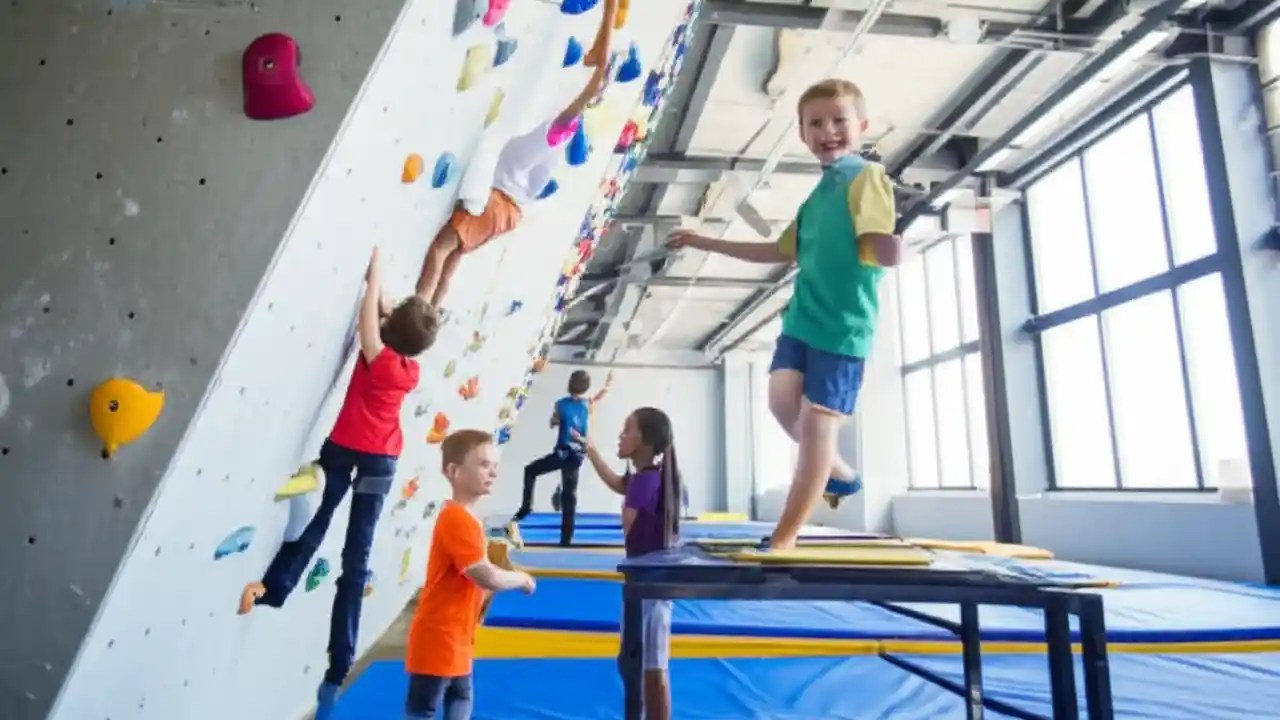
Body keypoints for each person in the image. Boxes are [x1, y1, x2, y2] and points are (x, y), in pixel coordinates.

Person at [665, 79, 902, 551]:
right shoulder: (815, 199)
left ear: (862, 126)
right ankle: (838, 470)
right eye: (816, 123)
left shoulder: (866, 176)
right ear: (802, 133)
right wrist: (703, 241)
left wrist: (888, 249)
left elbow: (876, 237)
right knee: (779, 404)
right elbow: (776, 250)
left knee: (816, 428)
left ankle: (785, 537)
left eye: (839, 120)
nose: (828, 131)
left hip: (843, 328)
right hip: (801, 319)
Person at [237, 247, 439, 719]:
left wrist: (376, 270)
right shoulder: (407, 368)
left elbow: (371, 313)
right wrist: (389, 303)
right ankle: (337, 670)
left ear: (391, 327)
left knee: (317, 523)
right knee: (356, 558)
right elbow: (385, 316)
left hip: (345, 450)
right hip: (381, 462)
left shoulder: (377, 354)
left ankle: (275, 589)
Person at [414, 0, 620, 311]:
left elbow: (598, 71)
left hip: (498, 201)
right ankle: (428, 315)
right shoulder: (555, 118)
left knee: (441, 250)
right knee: (451, 261)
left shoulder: (560, 124)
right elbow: (596, 60)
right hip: (506, 209)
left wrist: (611, 10)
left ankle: (415, 313)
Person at [404, 430, 536, 720]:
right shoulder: (457, 519)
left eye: (495, 466)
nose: (493, 473)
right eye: (484, 464)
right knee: (426, 708)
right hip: (440, 638)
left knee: (461, 698)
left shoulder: (466, 518)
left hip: (458, 635)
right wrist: (521, 578)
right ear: (454, 471)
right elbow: (485, 575)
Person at [574, 407, 679, 720]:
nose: (620, 435)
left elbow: (631, 525)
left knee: (651, 668)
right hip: (644, 582)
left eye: (627, 429)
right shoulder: (648, 477)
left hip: (650, 585)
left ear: (644, 441)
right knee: (638, 663)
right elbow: (618, 483)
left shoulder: (646, 483)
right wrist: (592, 451)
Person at [510, 369, 612, 545]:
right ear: (586, 387)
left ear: (569, 384)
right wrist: (609, 383)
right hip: (577, 455)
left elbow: (554, 421)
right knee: (569, 494)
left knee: (531, 470)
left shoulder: (560, 404)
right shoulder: (588, 404)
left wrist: (556, 421)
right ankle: (566, 538)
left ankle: (526, 507)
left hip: (563, 453)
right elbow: (600, 395)